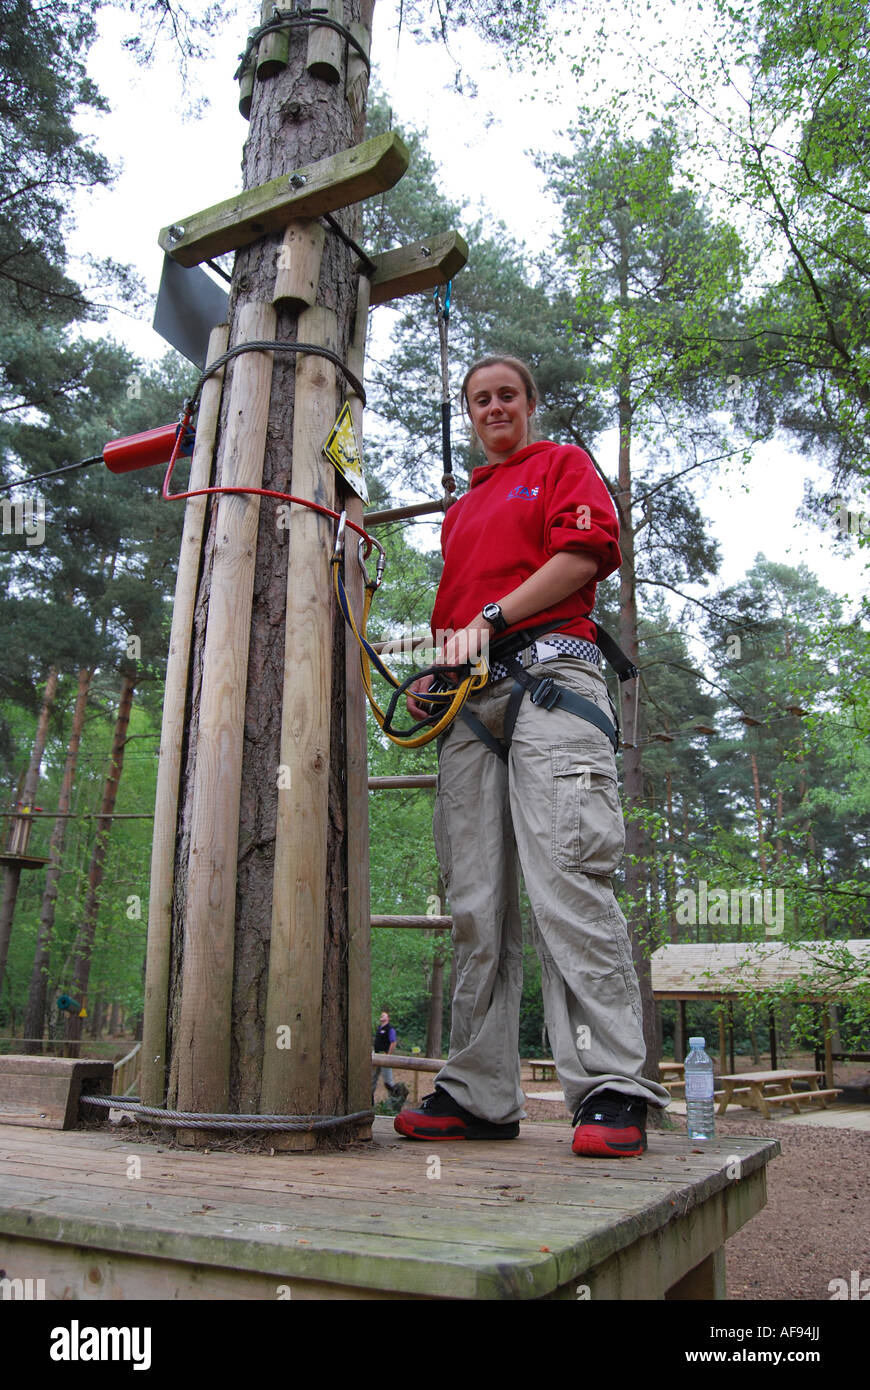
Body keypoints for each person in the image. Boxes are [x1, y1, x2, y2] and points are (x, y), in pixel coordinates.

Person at [393, 355, 670, 1156]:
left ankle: (611, 1088)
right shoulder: (462, 507)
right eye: (480, 400)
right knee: (474, 901)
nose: (493, 408)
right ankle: (480, 1092)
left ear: (531, 404)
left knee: (568, 882)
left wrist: (489, 616)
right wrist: (437, 673)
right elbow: (460, 614)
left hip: (552, 677)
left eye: (506, 394)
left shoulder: (561, 466)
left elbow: (580, 561)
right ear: (471, 414)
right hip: (468, 703)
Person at [372, 1010, 398, 1099]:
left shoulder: (390, 1029)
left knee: (388, 1081)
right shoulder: (379, 1028)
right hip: (376, 1056)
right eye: (381, 1014)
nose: (382, 1015)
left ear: (388, 1018)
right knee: (372, 1079)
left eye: (384, 1015)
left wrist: (388, 1055)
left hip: (384, 1057)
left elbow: (393, 1042)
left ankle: (393, 1102)